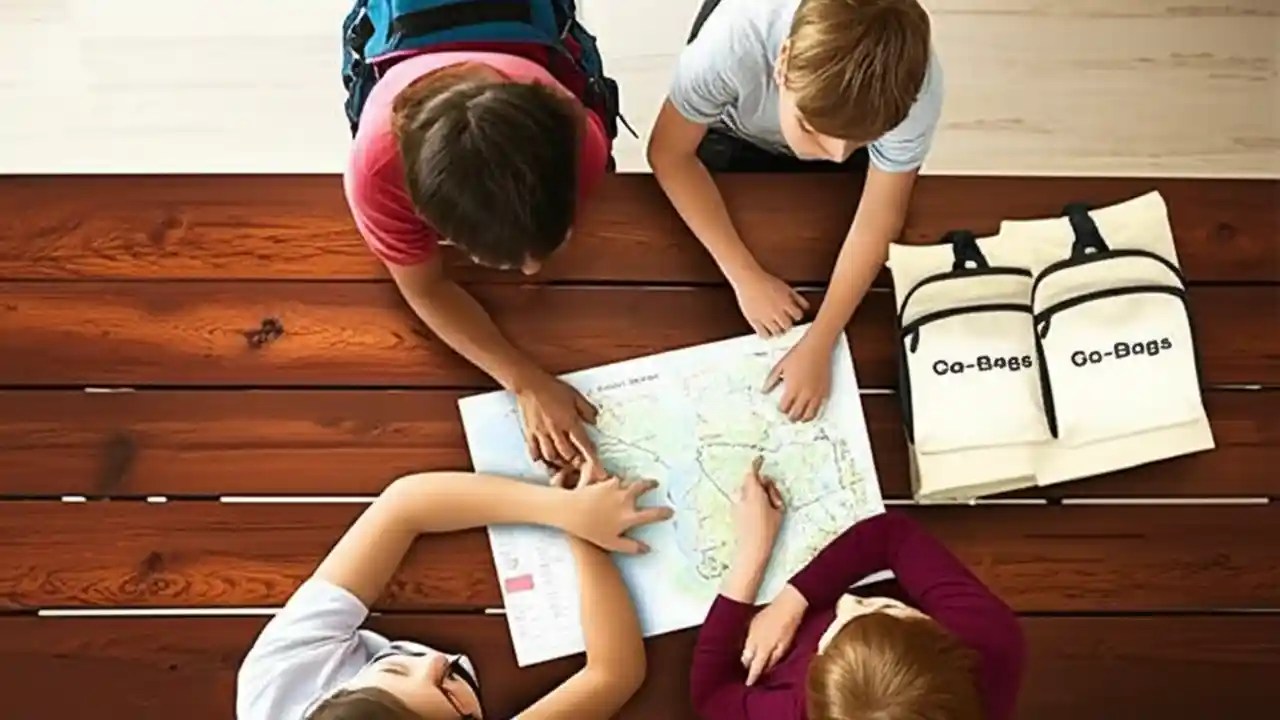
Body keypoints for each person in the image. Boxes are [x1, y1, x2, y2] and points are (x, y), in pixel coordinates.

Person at [341, 0, 625, 471]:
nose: (532, 271)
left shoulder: (578, 136)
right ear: (425, 214)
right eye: (502, 259)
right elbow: (425, 287)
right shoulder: (375, 175)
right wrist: (523, 380)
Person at [647, 0, 945, 422]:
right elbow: (670, 153)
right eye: (812, 130)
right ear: (783, 62)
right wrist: (745, 276)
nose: (837, 156)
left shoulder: (912, 87)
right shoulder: (731, 41)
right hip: (731, 130)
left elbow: (879, 217)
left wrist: (821, 340)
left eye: (858, 141)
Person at [236, 460, 673, 720]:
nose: (434, 661)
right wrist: (585, 538)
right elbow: (613, 674)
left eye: (395, 671)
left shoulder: (278, 678)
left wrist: (567, 510)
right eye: (447, 688)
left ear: (336, 693)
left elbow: (404, 506)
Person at [690, 458, 1024, 720]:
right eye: (872, 608)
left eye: (836, 631)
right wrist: (795, 597)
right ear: (935, 630)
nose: (849, 601)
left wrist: (753, 552)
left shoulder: (800, 708)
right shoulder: (990, 635)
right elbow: (893, 536)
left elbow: (710, 696)